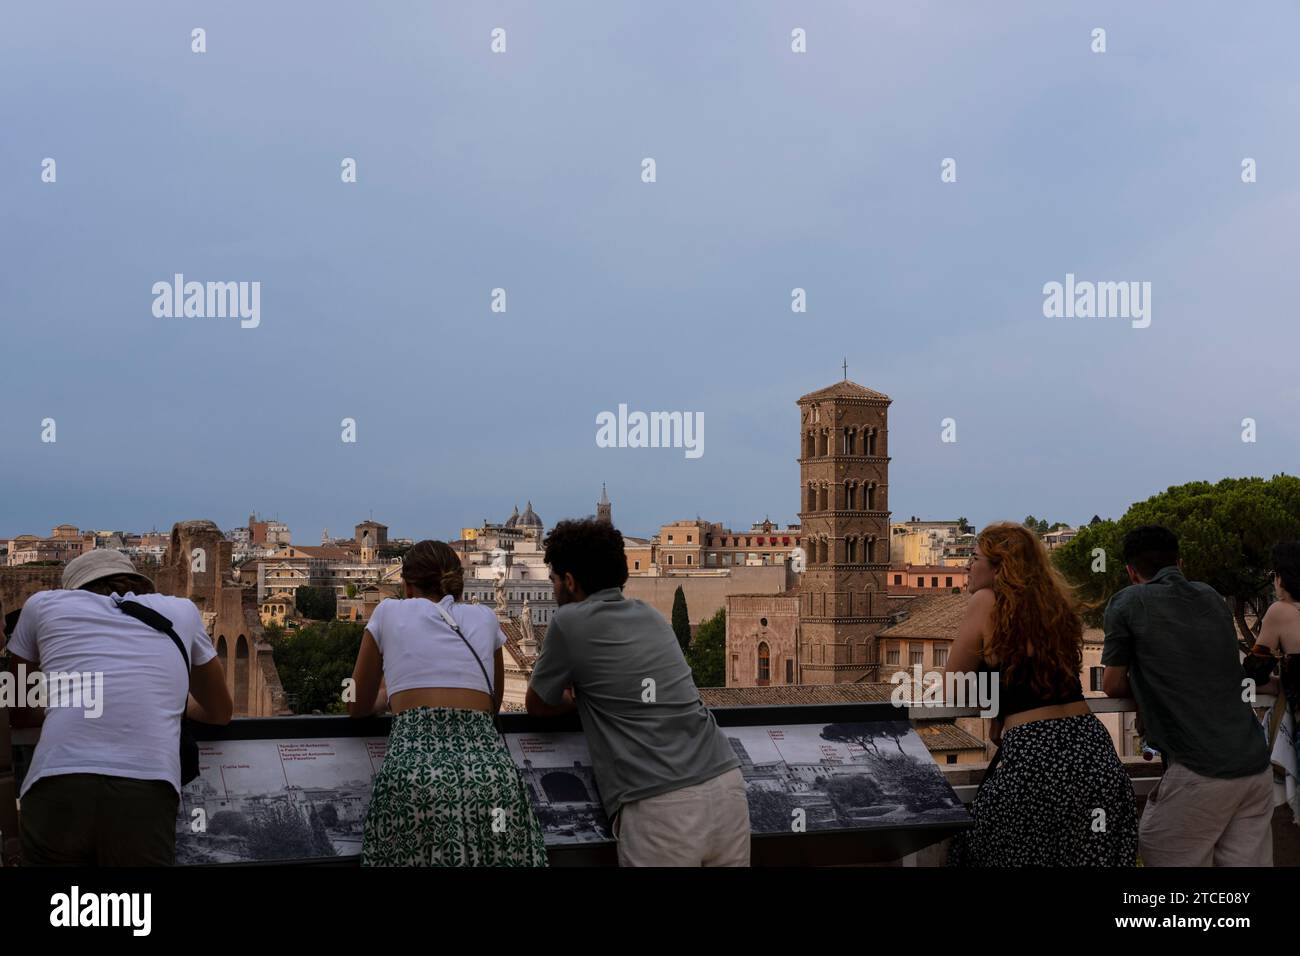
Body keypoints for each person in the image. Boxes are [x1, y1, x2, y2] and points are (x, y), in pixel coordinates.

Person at [526, 518, 750, 866]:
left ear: (569, 581)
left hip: (661, 803)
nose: (553, 591)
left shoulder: (569, 622)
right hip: (725, 784)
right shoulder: (651, 614)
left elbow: (538, 704)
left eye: (554, 581)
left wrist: (582, 698)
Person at [4, 550, 232, 866]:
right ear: (138, 585)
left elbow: (18, 706)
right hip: (146, 785)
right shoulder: (182, 611)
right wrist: (166, 702)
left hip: (57, 780)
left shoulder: (42, 605)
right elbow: (220, 711)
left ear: (73, 590)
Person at [947, 522, 1137, 866]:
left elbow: (952, 685)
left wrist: (994, 707)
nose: (965, 566)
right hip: (1093, 751)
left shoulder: (984, 600)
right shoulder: (1053, 607)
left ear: (999, 567)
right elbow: (1034, 680)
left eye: (973, 558)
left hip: (1037, 759)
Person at [349, 540, 547, 867]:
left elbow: (354, 702)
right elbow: (491, 702)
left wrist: (386, 697)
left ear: (406, 586)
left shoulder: (387, 611)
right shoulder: (485, 619)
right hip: (491, 783)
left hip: (415, 781)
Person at [1102, 525, 1274, 866]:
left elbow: (1111, 684)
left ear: (1130, 571)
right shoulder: (1211, 596)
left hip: (1200, 769)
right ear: (1180, 562)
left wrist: (1146, 684)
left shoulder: (1127, 602)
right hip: (1255, 768)